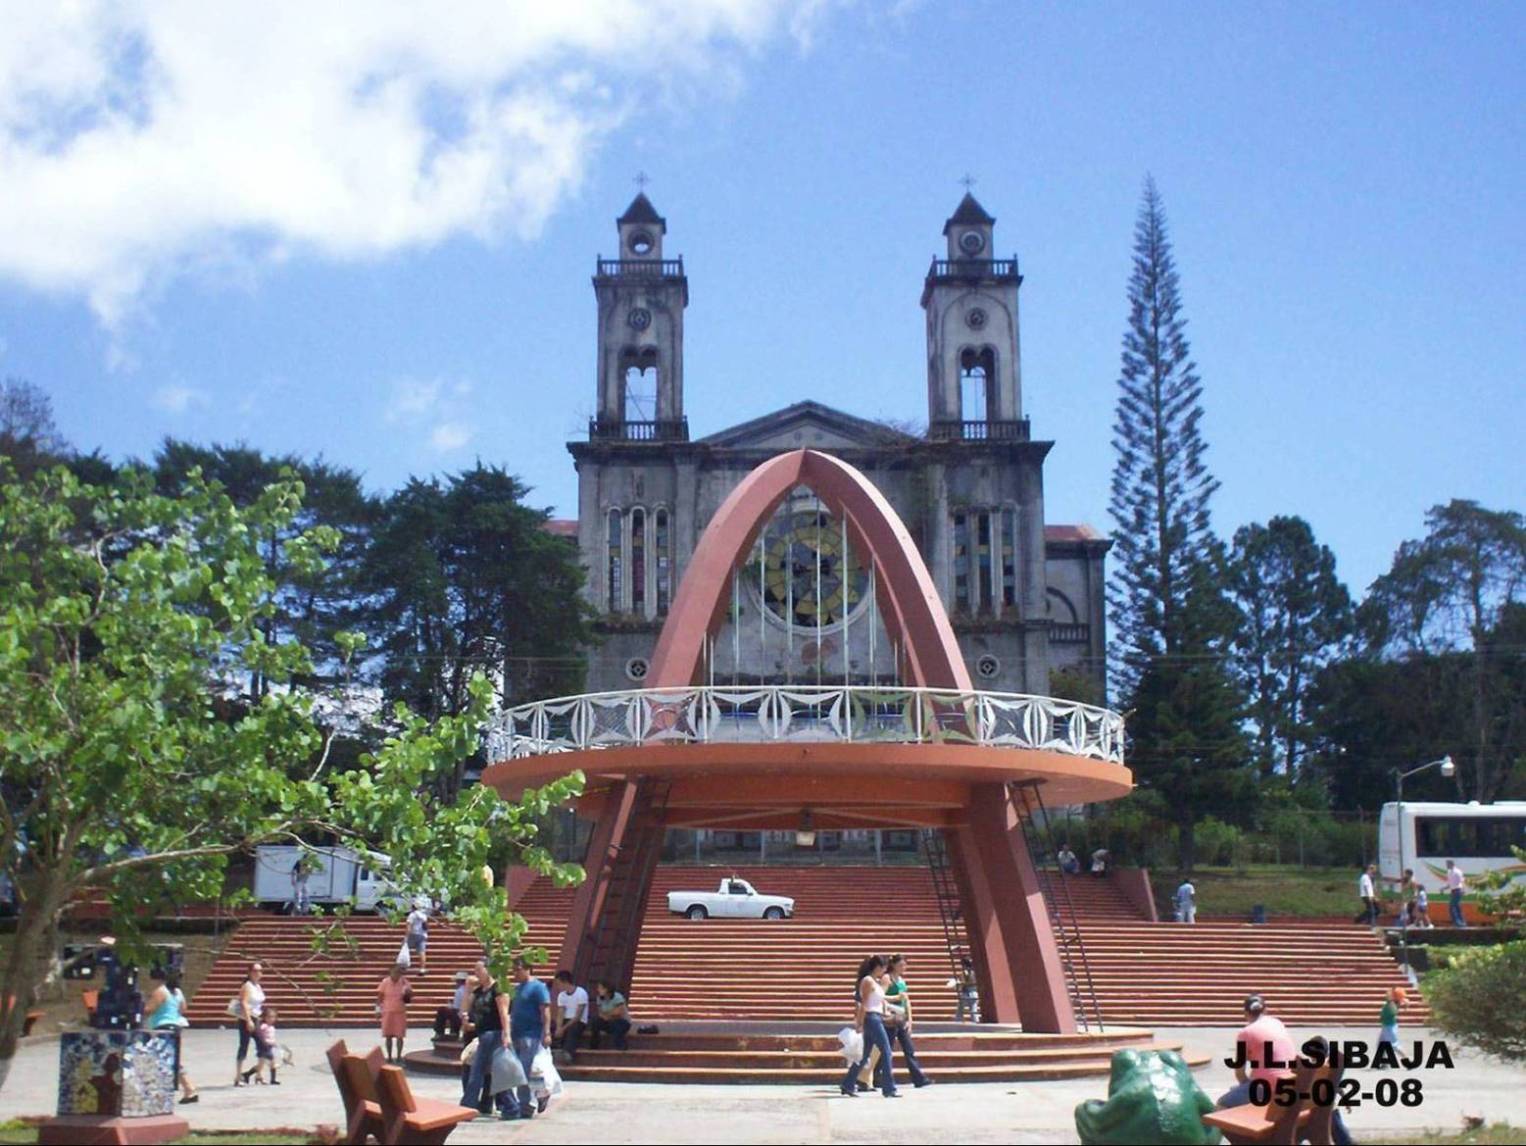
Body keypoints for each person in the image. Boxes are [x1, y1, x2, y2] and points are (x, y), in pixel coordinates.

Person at [1218, 994, 1351, 1146]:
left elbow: (1239, 1073)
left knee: (1221, 1106)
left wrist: (1245, 1085)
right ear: (1265, 1010)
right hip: (1293, 1087)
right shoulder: (1277, 1023)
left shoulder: (1245, 1033)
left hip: (1269, 1090)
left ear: (1246, 1013)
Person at [461, 959, 514, 1120]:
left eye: (479, 970)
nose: (476, 974)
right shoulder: (479, 992)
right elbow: (465, 1009)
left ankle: (468, 1106)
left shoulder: (497, 989)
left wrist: (507, 1034)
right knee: (494, 1072)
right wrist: (467, 989)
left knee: (477, 1072)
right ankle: (511, 1106)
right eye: (475, 970)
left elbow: (504, 1013)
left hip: (494, 1034)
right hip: (482, 1034)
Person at [841, 955, 898, 1098]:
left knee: (864, 1054)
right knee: (886, 1051)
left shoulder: (875, 981)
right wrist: (859, 1023)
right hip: (871, 1019)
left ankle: (847, 1084)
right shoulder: (867, 981)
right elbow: (864, 1004)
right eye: (884, 968)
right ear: (878, 967)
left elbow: (878, 1000)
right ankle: (889, 1087)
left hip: (876, 1017)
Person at [507, 957, 552, 1119]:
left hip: (531, 1034)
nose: (515, 974)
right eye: (513, 970)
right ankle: (539, 1095)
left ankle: (525, 1104)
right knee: (520, 1070)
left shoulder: (538, 987)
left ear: (527, 969)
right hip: (516, 1034)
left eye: (517, 970)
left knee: (524, 1071)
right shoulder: (517, 989)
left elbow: (545, 1010)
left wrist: (546, 1032)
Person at [144, 970, 197, 1104]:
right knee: (173, 1059)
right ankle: (188, 1088)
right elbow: (183, 1009)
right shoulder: (178, 993)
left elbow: (149, 1009)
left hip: (162, 1028)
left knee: (161, 1059)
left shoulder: (161, 991)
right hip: (175, 1027)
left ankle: (182, 1089)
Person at [880, 954, 931, 1089]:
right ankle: (877, 1076)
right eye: (900, 965)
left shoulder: (901, 980)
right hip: (890, 1018)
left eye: (904, 965)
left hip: (901, 1017)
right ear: (893, 965)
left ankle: (919, 1078)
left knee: (909, 1049)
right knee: (887, 1049)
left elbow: (906, 1000)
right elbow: (880, 996)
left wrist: (910, 1018)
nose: (903, 968)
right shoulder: (887, 978)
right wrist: (895, 997)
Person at [233, 962, 265, 1087]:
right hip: (247, 1018)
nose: (258, 973)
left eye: (260, 971)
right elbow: (244, 1003)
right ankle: (238, 1076)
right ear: (250, 972)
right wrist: (248, 1020)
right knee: (244, 1046)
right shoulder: (247, 986)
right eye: (255, 971)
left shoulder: (257, 986)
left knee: (263, 1047)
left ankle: (258, 1074)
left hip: (256, 1018)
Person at [376, 962, 413, 1063]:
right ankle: (389, 1056)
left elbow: (409, 998)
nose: (397, 974)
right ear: (391, 972)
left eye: (399, 972)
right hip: (388, 1012)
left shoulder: (404, 982)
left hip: (400, 1012)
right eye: (395, 972)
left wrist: (408, 992)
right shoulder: (385, 982)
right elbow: (380, 997)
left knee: (399, 1036)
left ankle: (399, 1056)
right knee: (388, 1036)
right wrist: (378, 1010)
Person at [552, 970, 588, 1064]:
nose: (557, 986)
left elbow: (578, 1016)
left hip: (578, 1021)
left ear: (565, 982)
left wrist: (563, 1028)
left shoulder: (581, 993)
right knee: (552, 1027)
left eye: (559, 983)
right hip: (566, 1019)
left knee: (573, 1029)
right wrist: (558, 1027)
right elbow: (561, 1012)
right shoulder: (561, 995)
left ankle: (568, 1054)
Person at [242, 1005, 281, 1085]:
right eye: (269, 1017)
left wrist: (274, 1043)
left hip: (269, 1047)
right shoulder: (263, 1027)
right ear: (265, 1018)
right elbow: (259, 1035)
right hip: (263, 1047)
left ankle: (272, 1079)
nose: (271, 1019)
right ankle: (247, 1074)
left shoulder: (271, 1027)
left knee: (271, 1063)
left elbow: (271, 1037)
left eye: (273, 1017)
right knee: (261, 1065)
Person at [589, 979, 631, 1050]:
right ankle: (594, 1045)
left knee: (617, 1026)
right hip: (608, 1021)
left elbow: (618, 1013)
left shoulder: (617, 997)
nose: (598, 990)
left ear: (606, 989)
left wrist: (607, 1014)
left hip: (622, 1022)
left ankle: (621, 1046)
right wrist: (610, 1014)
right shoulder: (599, 998)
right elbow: (600, 1013)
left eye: (600, 988)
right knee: (595, 1022)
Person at [435, 970, 471, 1041]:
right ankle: (453, 1031)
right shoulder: (470, 990)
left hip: (460, 1016)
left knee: (442, 1010)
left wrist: (450, 1006)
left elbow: (456, 1008)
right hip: (468, 1014)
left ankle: (439, 1032)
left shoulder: (459, 991)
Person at [406, 900, 430, 973]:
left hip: (413, 934)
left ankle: (404, 965)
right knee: (422, 952)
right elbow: (426, 926)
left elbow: (409, 926)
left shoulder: (412, 915)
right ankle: (422, 968)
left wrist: (406, 936)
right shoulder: (423, 915)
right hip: (422, 935)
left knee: (406, 949)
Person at [1445, 860, 1467, 927]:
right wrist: (1443, 888)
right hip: (1453, 891)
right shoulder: (1449, 872)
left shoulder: (1458, 872)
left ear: (1451, 864)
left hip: (1458, 890)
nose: (1446, 866)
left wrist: (1463, 889)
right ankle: (1462, 922)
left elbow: (1462, 881)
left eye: (1447, 864)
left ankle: (1458, 923)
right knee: (1457, 907)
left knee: (1452, 907)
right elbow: (1450, 884)